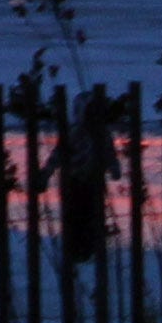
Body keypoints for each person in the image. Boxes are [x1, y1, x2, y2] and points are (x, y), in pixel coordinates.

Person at [34, 84, 122, 267]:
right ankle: (76, 253)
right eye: (89, 111)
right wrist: (45, 175)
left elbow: (110, 156)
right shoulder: (74, 134)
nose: (92, 116)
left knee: (92, 217)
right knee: (75, 219)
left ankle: (89, 251)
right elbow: (57, 156)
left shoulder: (102, 134)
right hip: (73, 183)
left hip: (93, 183)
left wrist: (114, 169)